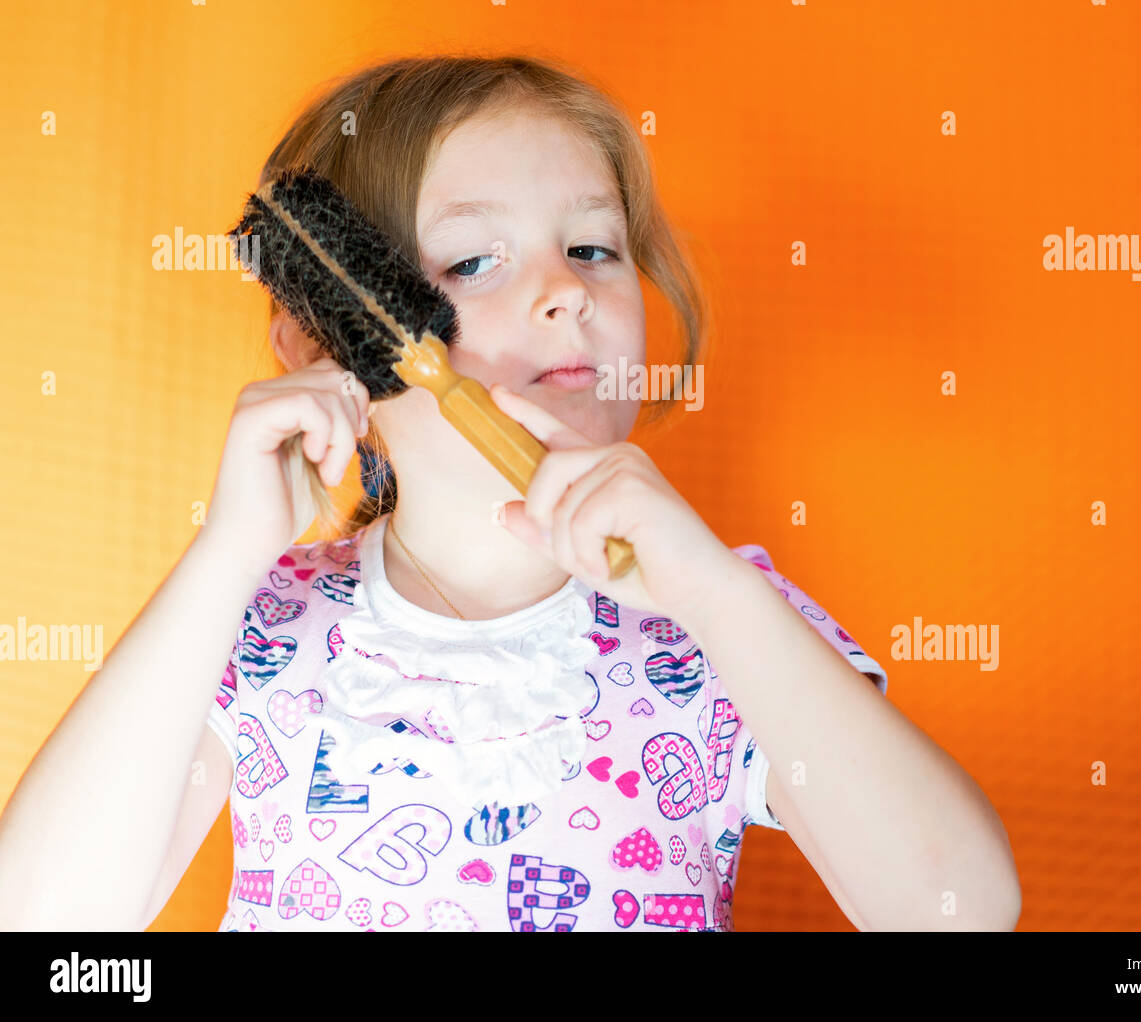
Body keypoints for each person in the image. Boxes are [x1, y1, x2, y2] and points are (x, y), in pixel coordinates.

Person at [0, 55, 1020, 932]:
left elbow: (959, 910)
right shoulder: (263, 628)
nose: (567, 289)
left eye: (592, 249)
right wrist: (224, 558)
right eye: (475, 259)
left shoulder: (714, 614)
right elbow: (42, 919)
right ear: (332, 342)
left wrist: (717, 596)